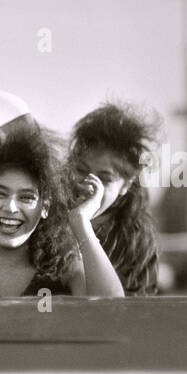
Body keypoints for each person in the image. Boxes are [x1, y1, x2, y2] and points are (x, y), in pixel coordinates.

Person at [0, 124, 124, 298]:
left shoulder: (65, 271)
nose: (11, 208)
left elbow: (113, 309)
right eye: (0, 194)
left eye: (26, 197)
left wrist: (80, 221)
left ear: (44, 208)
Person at [66, 101, 162, 295]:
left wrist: (81, 226)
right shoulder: (42, 217)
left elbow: (122, 315)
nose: (88, 184)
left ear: (126, 185)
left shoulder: (137, 242)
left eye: (104, 178)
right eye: (81, 170)